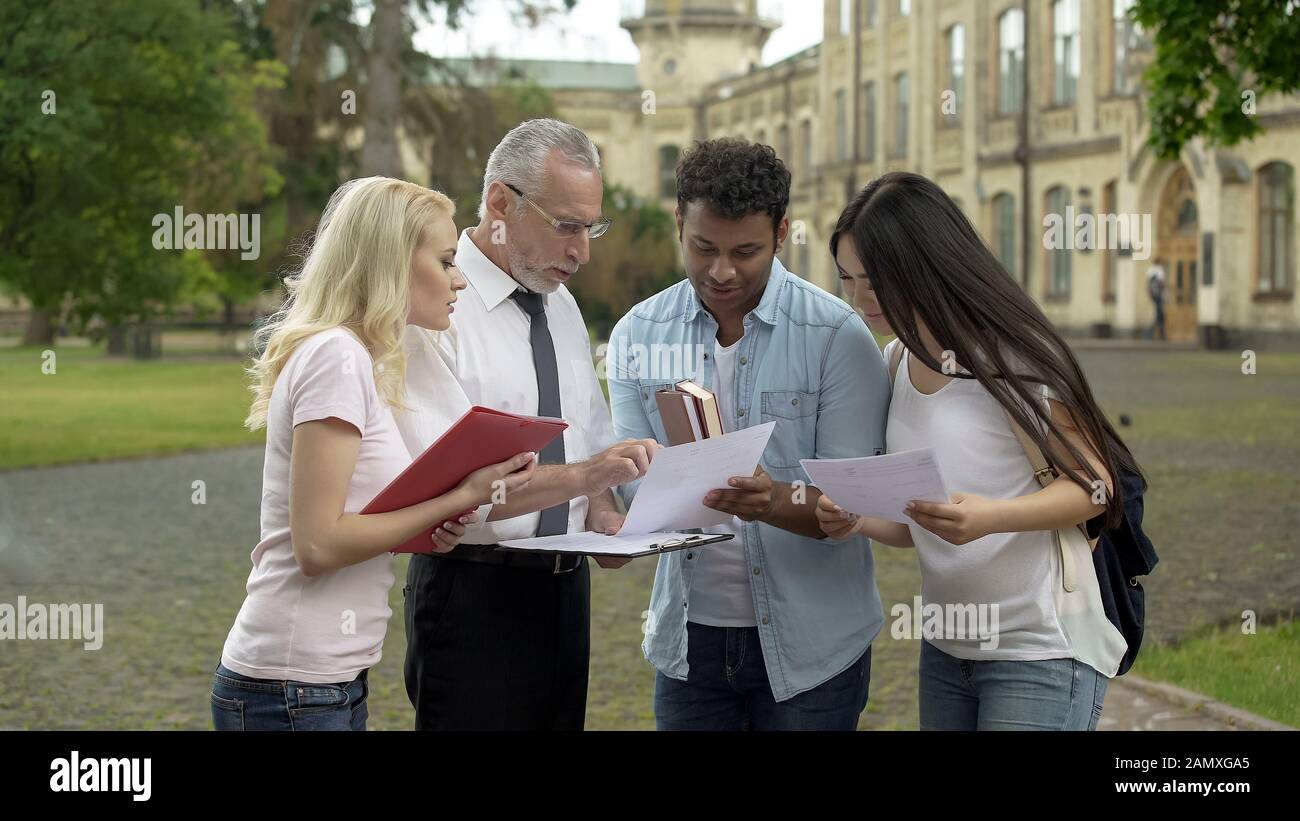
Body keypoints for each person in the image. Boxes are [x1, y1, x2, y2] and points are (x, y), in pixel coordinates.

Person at [211, 177, 536, 731]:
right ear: (392, 263)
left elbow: (355, 520)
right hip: (291, 684)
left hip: (327, 683)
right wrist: (457, 498)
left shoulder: (361, 358)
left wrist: (428, 526)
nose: (459, 281)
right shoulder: (335, 357)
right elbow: (317, 545)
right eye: (445, 261)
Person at [818, 171, 1138, 730]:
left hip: (1039, 649)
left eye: (875, 279)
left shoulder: (1010, 358)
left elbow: (1094, 487)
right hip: (947, 649)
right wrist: (858, 518)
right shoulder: (895, 362)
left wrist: (992, 518)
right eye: (848, 278)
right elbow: (916, 524)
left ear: (924, 267)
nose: (859, 297)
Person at [607, 138, 890, 731]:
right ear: (678, 221)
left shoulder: (837, 336)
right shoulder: (638, 332)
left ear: (783, 233)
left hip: (815, 648)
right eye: (703, 247)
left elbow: (857, 502)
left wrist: (774, 502)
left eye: (746, 251)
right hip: (689, 644)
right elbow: (629, 486)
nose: (722, 271)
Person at [397, 118, 660, 730]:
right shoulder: (435, 304)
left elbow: (586, 438)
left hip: (566, 593)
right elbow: (450, 487)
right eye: (566, 226)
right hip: (472, 595)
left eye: (591, 228)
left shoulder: (562, 305)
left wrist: (601, 512)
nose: (582, 251)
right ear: (499, 203)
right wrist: (588, 474)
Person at [1147, 262, 1167, 341]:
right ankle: (1153, 334)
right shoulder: (1159, 271)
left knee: (1159, 314)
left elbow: (1148, 285)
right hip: (1158, 296)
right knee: (1159, 315)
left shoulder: (1151, 271)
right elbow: (1161, 283)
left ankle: (1157, 334)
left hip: (1155, 296)